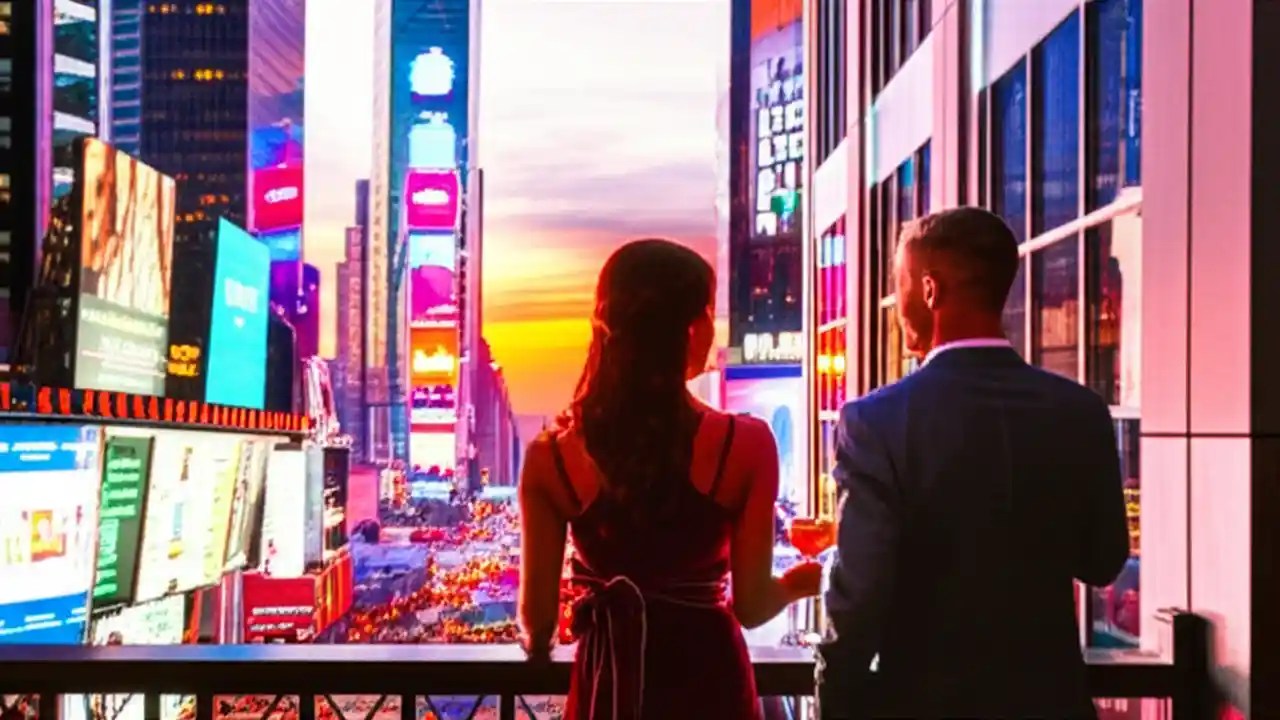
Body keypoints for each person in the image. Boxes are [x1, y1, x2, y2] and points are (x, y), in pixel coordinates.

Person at [817, 207, 1129, 719]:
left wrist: (834, 700)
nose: (898, 307)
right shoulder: (1080, 411)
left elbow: (857, 601)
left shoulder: (876, 422)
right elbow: (1102, 561)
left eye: (901, 288)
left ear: (931, 290)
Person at [518, 239, 822, 719]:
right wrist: (803, 582)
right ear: (689, 328)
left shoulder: (550, 457)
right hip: (712, 687)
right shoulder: (744, 445)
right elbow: (753, 605)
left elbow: (537, 627)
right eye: (708, 313)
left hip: (608, 688)